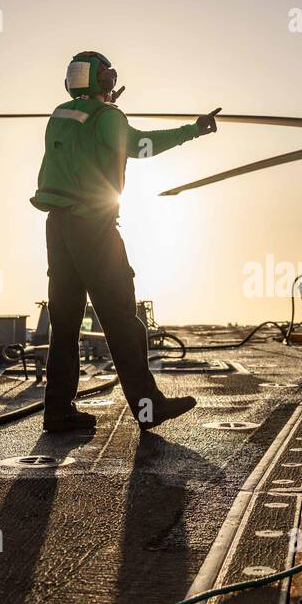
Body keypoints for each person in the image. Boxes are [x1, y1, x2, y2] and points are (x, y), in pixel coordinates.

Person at [31, 51, 219, 432]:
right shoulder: (107, 117)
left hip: (58, 227)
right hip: (93, 227)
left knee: (65, 324)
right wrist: (192, 130)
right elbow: (141, 146)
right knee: (122, 320)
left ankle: (57, 411)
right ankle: (149, 408)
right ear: (105, 81)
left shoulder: (60, 116)